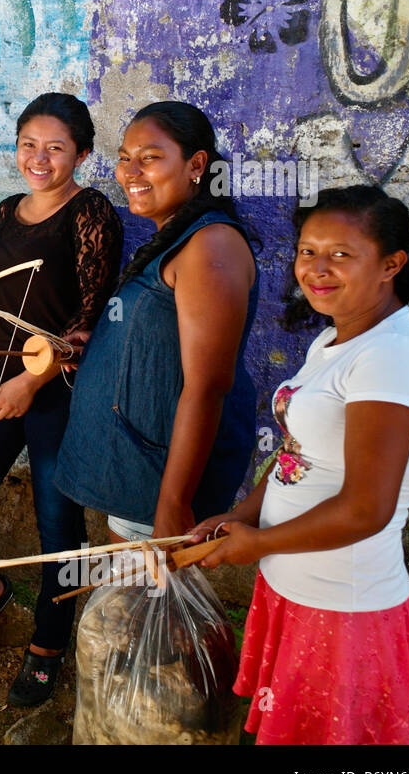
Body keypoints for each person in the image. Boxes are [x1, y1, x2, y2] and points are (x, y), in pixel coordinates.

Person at [191, 185, 409, 744]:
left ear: (391, 265)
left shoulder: (392, 358)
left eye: (341, 253)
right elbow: (297, 454)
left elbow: (366, 509)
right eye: (308, 251)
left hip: (342, 607)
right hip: (297, 588)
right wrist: (239, 516)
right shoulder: (340, 337)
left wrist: (255, 543)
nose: (316, 268)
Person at [0, 93, 122, 706]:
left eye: (56, 148)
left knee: (58, 526)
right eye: (28, 145)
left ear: (83, 154)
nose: (39, 158)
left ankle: (48, 643)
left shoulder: (92, 213)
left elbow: (92, 321)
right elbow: (6, 290)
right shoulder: (8, 210)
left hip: (56, 390)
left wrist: (33, 381)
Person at [55, 101, 259, 542]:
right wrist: (101, 347)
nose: (130, 171)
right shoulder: (180, 239)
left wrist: (174, 502)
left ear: (196, 165)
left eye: (149, 158)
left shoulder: (212, 246)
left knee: (146, 607)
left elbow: (208, 386)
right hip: (142, 473)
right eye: (125, 157)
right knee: (136, 608)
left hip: (162, 484)